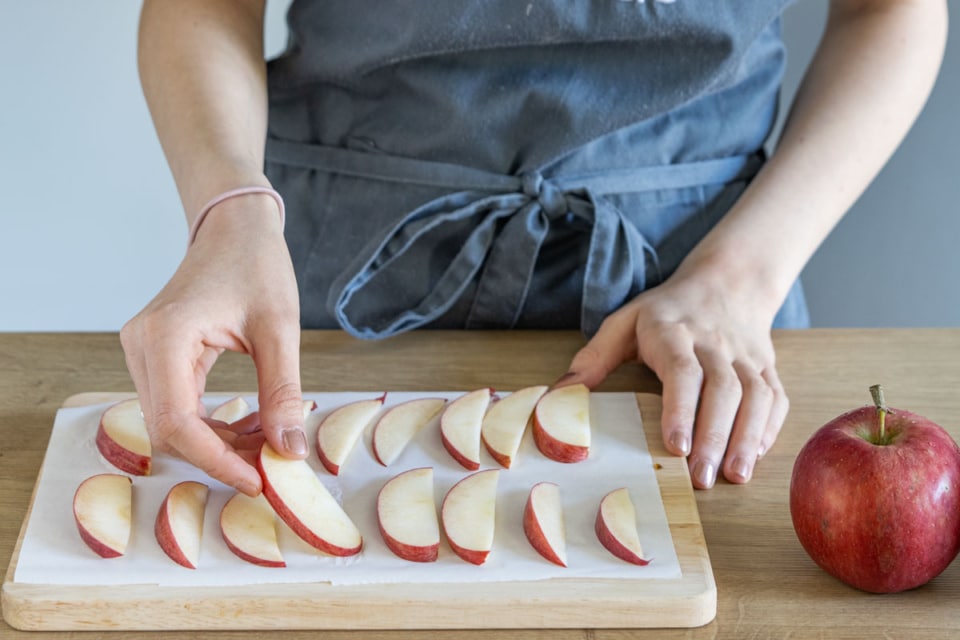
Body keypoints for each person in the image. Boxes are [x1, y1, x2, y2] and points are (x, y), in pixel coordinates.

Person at [122, 0, 947, 494]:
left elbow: (891, 10)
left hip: (704, 314)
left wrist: (739, 278)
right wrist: (229, 212)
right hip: (334, 295)